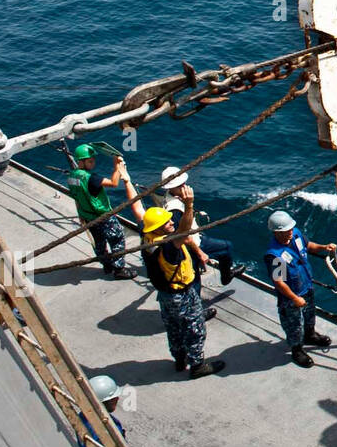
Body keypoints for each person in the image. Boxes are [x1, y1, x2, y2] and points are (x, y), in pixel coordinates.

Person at [141, 196, 225, 379]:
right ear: (157, 227)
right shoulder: (168, 247)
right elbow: (184, 230)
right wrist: (189, 206)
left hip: (165, 295)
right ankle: (197, 366)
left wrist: (198, 251)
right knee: (195, 329)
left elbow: (181, 236)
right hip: (182, 294)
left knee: (174, 328)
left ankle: (179, 359)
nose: (171, 222)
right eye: (166, 222)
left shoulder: (148, 239)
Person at [264, 210, 335, 368]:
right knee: (294, 324)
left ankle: (310, 335)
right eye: (285, 231)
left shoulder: (295, 234)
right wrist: (295, 298)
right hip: (291, 297)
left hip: (307, 287)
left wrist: (324, 247)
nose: (289, 232)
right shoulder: (275, 255)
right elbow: (279, 283)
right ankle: (297, 350)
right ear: (276, 233)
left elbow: (308, 245)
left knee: (310, 315)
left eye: (290, 229)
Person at [158, 166, 249, 285]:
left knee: (226, 247)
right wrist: (200, 253)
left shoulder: (170, 196)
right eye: (180, 185)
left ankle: (226, 275)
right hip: (191, 247)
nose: (184, 186)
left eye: (184, 183)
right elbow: (183, 236)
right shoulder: (174, 210)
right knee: (193, 281)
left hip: (195, 238)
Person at [66, 144, 136, 280]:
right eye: (90, 161)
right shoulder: (91, 178)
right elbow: (114, 183)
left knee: (98, 242)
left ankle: (107, 265)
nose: (93, 163)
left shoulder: (71, 177)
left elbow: (77, 197)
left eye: (93, 160)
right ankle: (119, 269)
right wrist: (118, 167)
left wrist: (81, 215)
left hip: (87, 216)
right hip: (102, 216)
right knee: (117, 238)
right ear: (81, 162)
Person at [80, 374, 127, 447]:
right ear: (104, 401)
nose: (117, 399)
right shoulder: (107, 429)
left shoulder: (84, 415)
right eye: (114, 398)